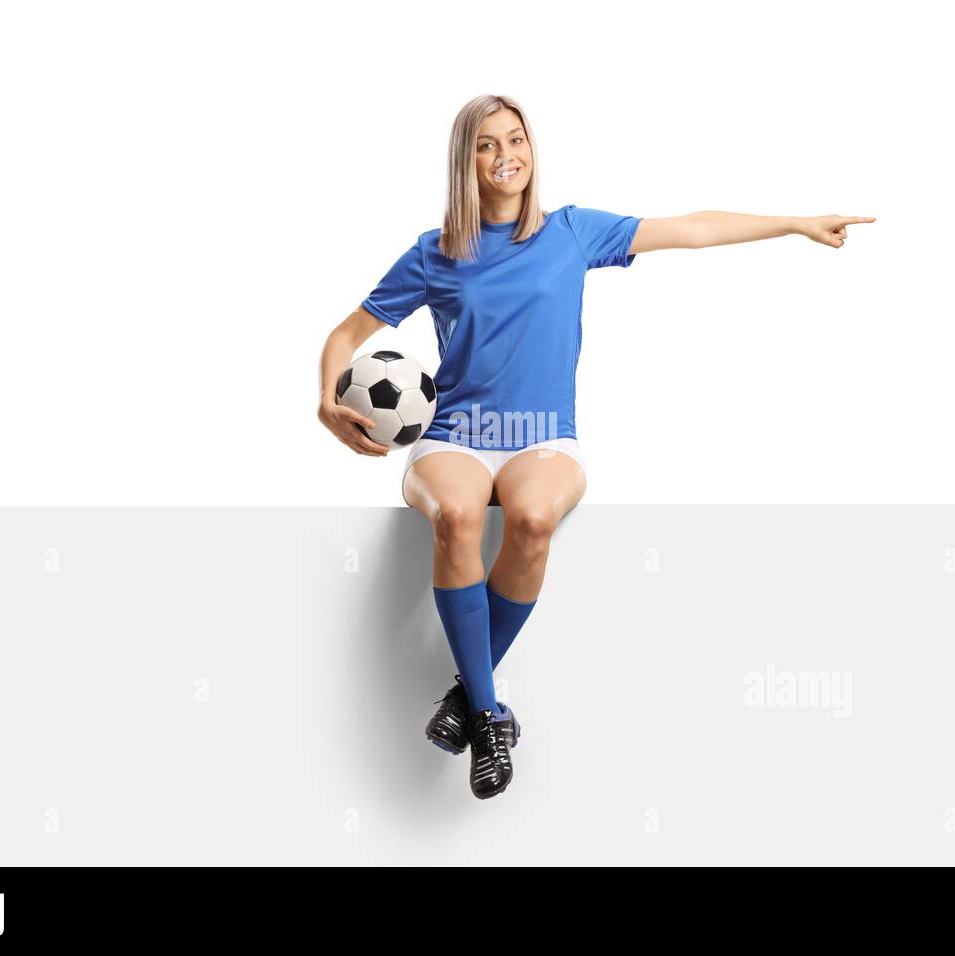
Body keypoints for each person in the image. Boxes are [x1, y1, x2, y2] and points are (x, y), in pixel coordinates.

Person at [317, 94, 875, 799]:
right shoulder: (434, 253)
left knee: (533, 521)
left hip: (543, 439)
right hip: (456, 435)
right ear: (467, 161)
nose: (505, 156)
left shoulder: (571, 233)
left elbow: (692, 229)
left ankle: (467, 698)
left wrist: (794, 222)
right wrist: (326, 401)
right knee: (457, 518)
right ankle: (490, 716)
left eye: (515, 139)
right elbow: (346, 336)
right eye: (487, 145)